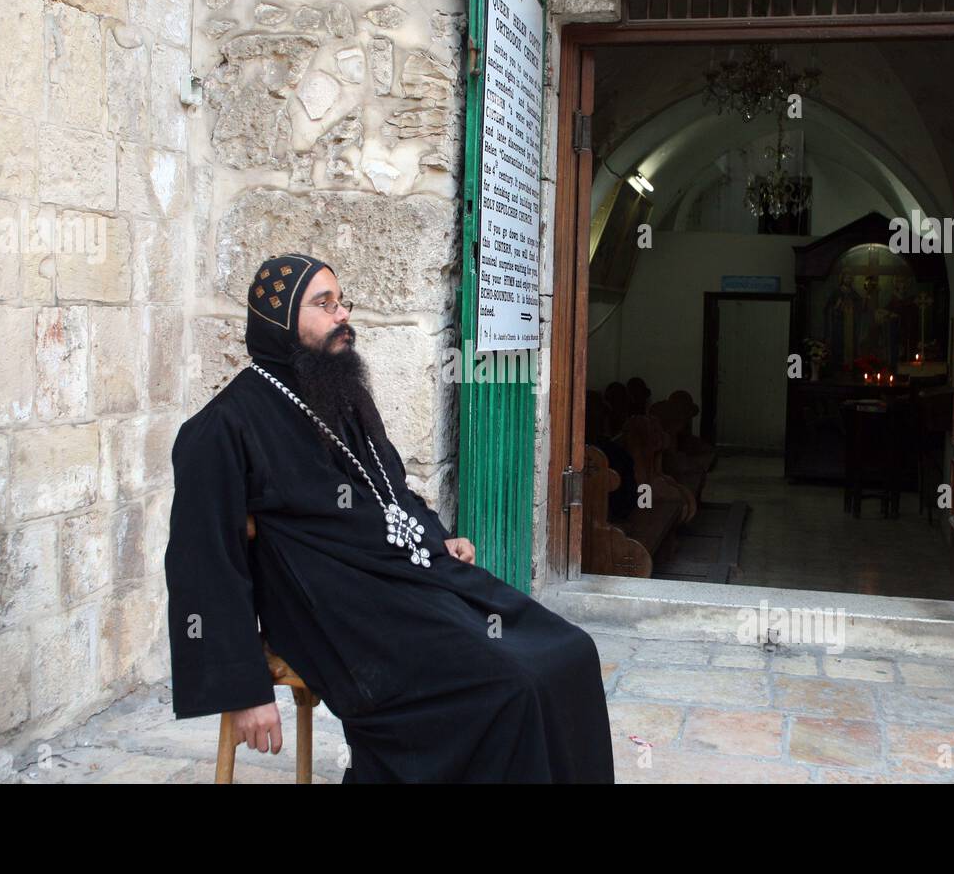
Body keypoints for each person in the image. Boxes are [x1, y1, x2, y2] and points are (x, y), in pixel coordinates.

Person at [163, 252, 615, 783]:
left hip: (411, 576)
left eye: (342, 301)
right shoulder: (223, 427)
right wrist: (242, 691)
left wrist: (436, 537)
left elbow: (391, 490)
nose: (342, 316)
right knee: (508, 685)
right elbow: (204, 565)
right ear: (279, 320)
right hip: (334, 611)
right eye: (323, 305)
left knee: (569, 653)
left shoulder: (339, 391)